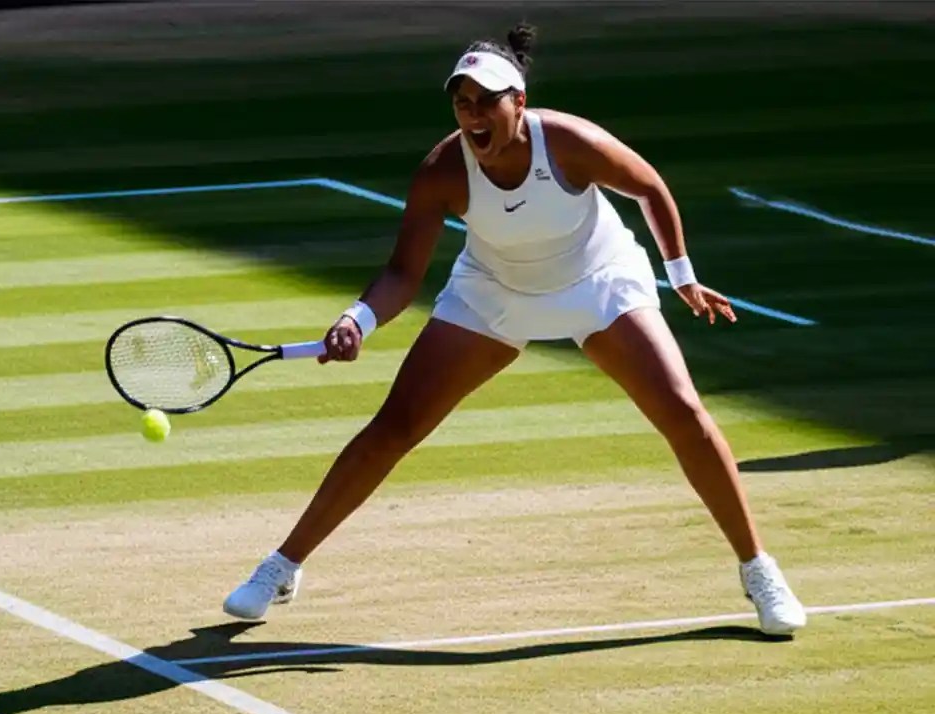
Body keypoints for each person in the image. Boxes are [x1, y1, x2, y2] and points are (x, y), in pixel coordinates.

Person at [222, 23, 806, 636]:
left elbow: (649, 188)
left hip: (599, 281)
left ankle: (757, 568)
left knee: (683, 411)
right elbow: (401, 273)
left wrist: (681, 275)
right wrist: (357, 318)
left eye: (486, 102)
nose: (472, 116)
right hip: (494, 293)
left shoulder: (570, 142)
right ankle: (281, 566)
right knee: (394, 426)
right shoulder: (442, 170)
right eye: (462, 103)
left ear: (519, 102)